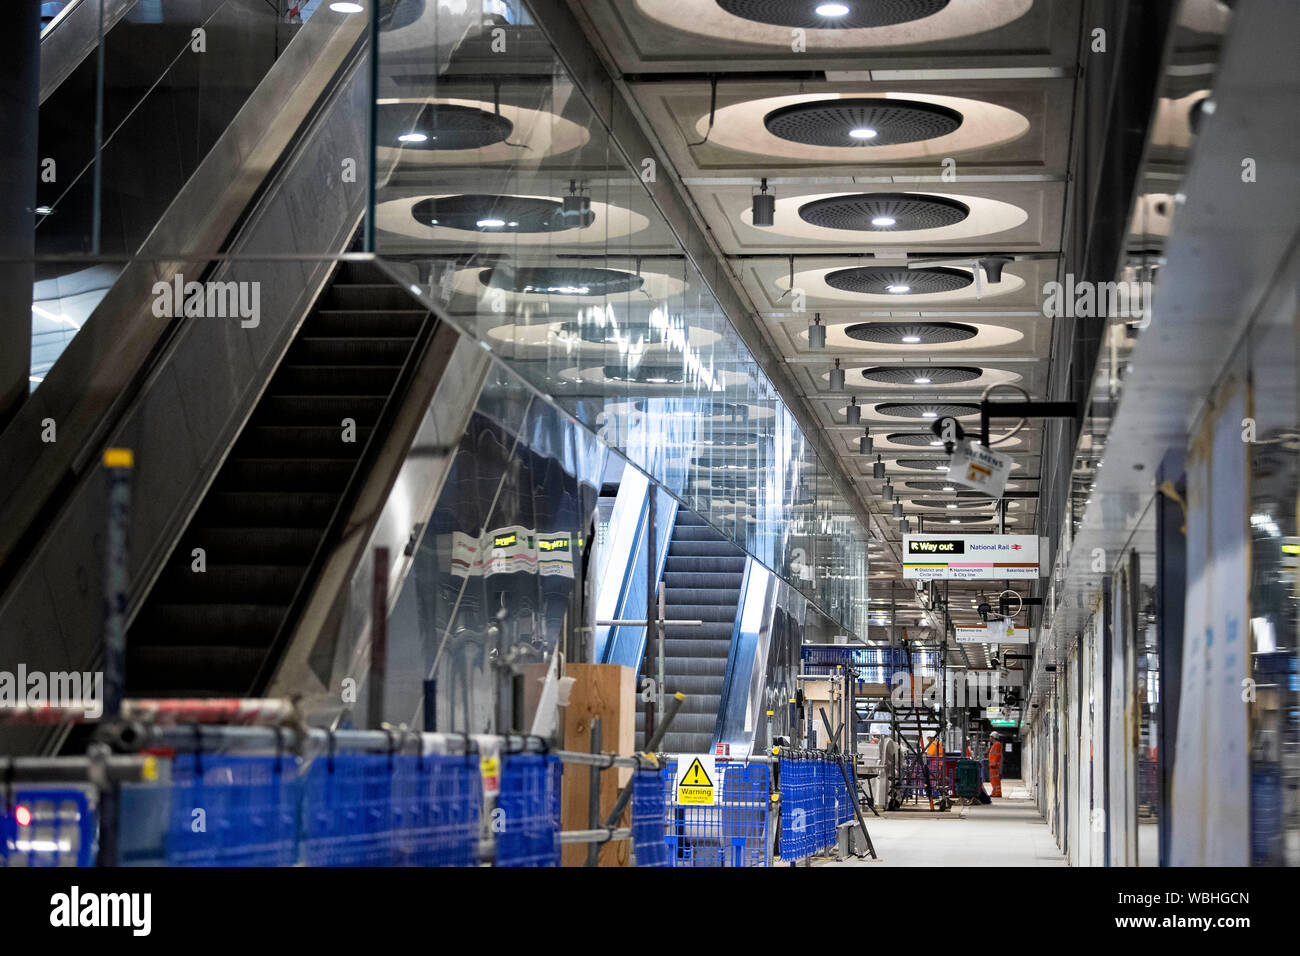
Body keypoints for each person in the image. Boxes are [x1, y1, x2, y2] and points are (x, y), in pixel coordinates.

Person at [988, 732, 1004, 797]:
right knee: (993, 780)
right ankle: (994, 792)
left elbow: (996, 755)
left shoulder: (997, 745)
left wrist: (994, 764)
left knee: (995, 779)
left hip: (994, 766)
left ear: (993, 737)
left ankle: (997, 793)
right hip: (992, 766)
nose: (989, 738)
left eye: (990, 737)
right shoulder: (995, 745)